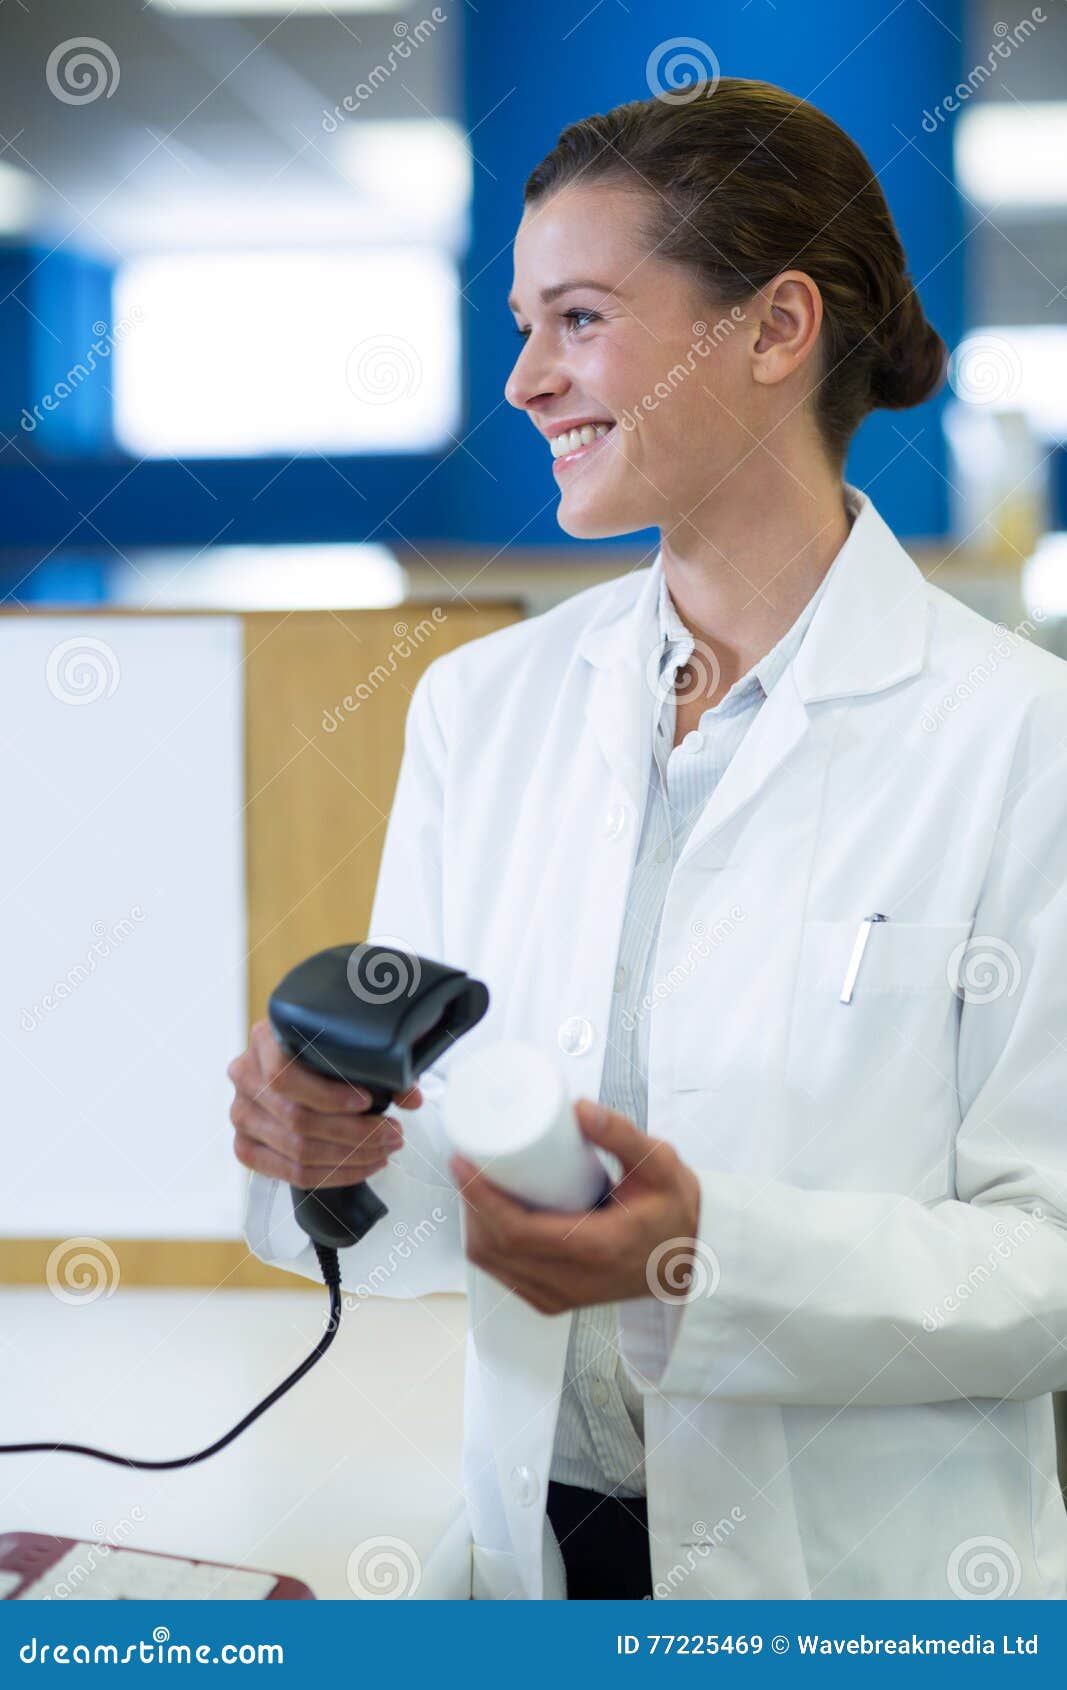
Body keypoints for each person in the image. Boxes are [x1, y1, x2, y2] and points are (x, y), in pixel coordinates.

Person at [230, 79, 1067, 1600]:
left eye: (581, 317)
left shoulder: (1023, 740)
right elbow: (447, 1170)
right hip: (530, 1553)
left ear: (774, 327)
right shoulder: (478, 712)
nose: (526, 380)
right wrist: (331, 1153)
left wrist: (705, 1259)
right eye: (522, 325)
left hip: (863, 1593)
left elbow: (1050, 1260)